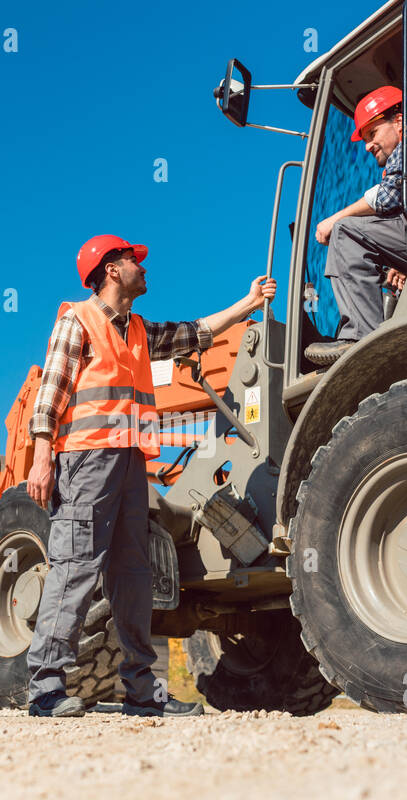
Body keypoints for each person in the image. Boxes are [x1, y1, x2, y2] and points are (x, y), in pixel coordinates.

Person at [25, 234, 275, 717]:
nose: (143, 265)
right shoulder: (76, 321)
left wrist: (248, 301)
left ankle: (143, 692)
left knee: (134, 578)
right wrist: (41, 457)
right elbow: (49, 395)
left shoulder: (139, 330)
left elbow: (198, 332)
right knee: (76, 568)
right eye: (132, 259)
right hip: (85, 462)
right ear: (111, 270)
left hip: (130, 466)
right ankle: (45, 687)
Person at [305, 86, 407, 368]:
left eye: (372, 134)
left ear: (399, 121)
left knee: (346, 232)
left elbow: (389, 197)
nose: (366, 146)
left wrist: (335, 218)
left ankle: (360, 337)